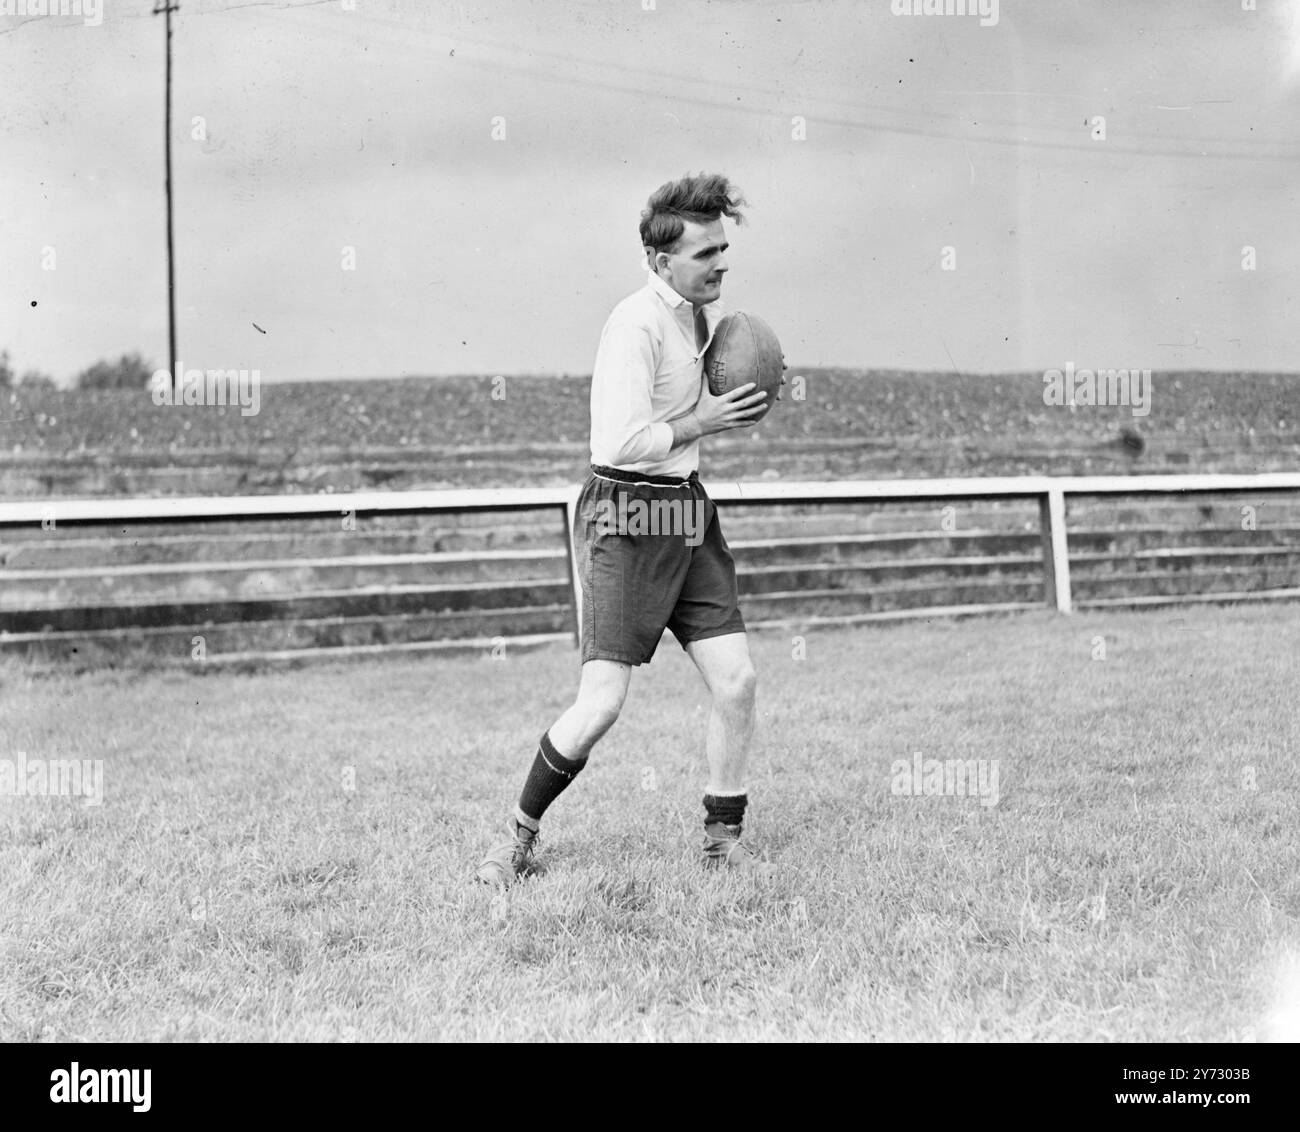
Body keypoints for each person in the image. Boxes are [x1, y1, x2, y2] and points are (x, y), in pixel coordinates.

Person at [476, 172, 779, 888]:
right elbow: (617, 442)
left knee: (737, 681)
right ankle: (515, 838)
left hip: (685, 511)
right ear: (657, 260)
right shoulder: (634, 325)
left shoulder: (702, 318)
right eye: (704, 254)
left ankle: (721, 841)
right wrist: (702, 421)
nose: (720, 264)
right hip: (627, 511)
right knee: (602, 703)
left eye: (722, 249)